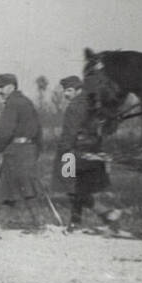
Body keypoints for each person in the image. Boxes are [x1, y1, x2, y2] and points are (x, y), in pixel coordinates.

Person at [55, 75, 123, 233]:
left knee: (72, 187)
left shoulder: (74, 106)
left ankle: (106, 214)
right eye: (65, 90)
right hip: (92, 150)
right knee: (79, 188)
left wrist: (64, 150)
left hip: (73, 152)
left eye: (69, 90)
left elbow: (69, 132)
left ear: (78, 90)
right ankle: (76, 222)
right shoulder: (91, 104)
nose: (66, 94)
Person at [0, 73, 43, 227]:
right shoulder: (26, 102)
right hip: (28, 149)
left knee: (21, 186)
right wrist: (36, 151)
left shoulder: (12, 103)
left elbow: (5, 132)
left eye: (1, 87)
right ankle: (0, 223)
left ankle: (38, 223)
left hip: (17, 152)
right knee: (9, 186)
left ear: (11, 87)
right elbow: (39, 130)